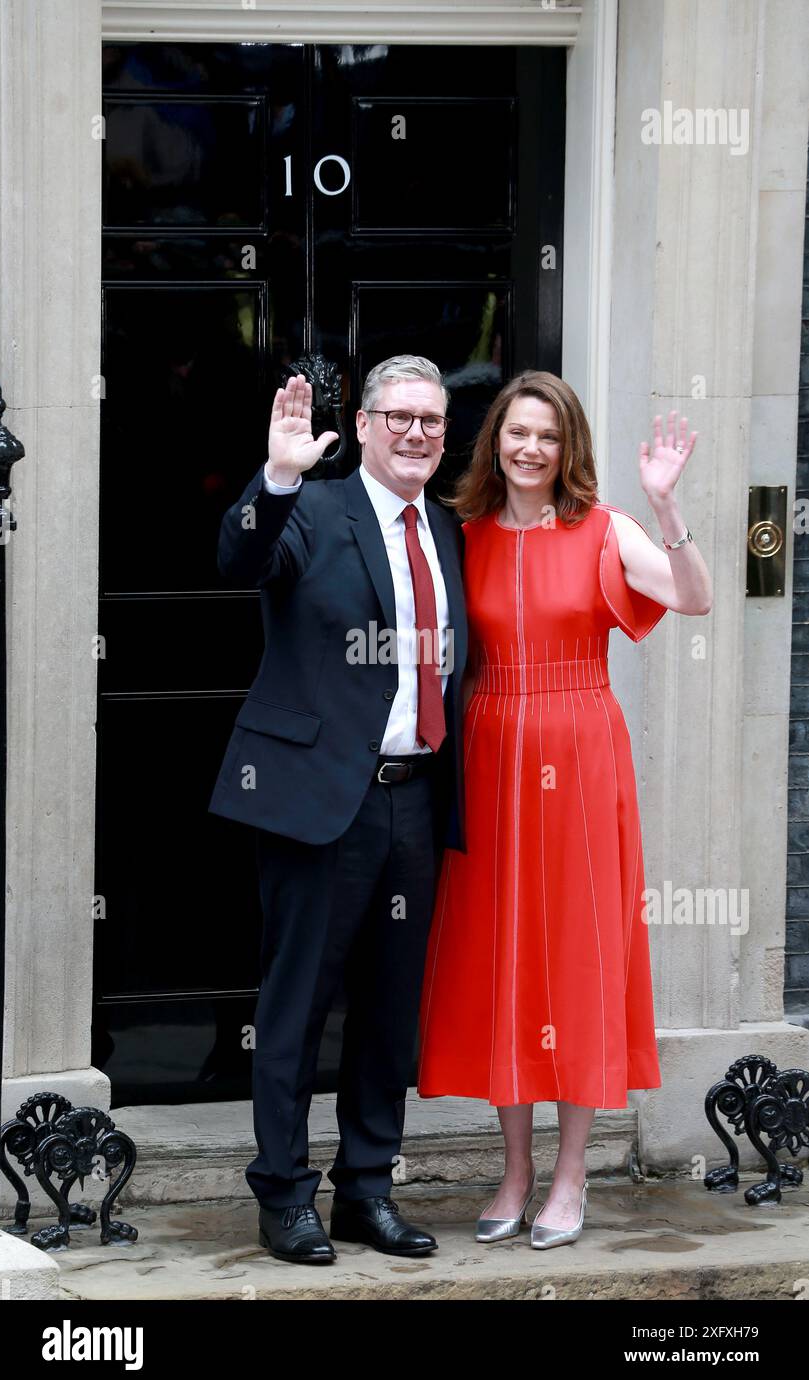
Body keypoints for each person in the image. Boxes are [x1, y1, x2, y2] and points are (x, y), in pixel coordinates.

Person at [416, 371, 713, 1249]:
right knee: (503, 952)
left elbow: (693, 597)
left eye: (547, 435)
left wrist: (664, 505)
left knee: (577, 954)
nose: (530, 449)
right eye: (517, 433)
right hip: (488, 750)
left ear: (567, 445)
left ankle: (572, 1173)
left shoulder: (601, 528)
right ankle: (514, 1170)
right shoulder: (460, 536)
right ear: (494, 442)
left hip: (580, 754)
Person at [208, 356, 467, 1264]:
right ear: (360, 425)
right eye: (397, 416)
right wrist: (277, 473)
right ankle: (283, 1193)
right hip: (320, 804)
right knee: (295, 1007)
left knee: (389, 1013)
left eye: (431, 421)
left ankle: (367, 1188)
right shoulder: (312, 511)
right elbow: (238, 557)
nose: (415, 434)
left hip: (413, 801)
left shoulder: (447, 529)